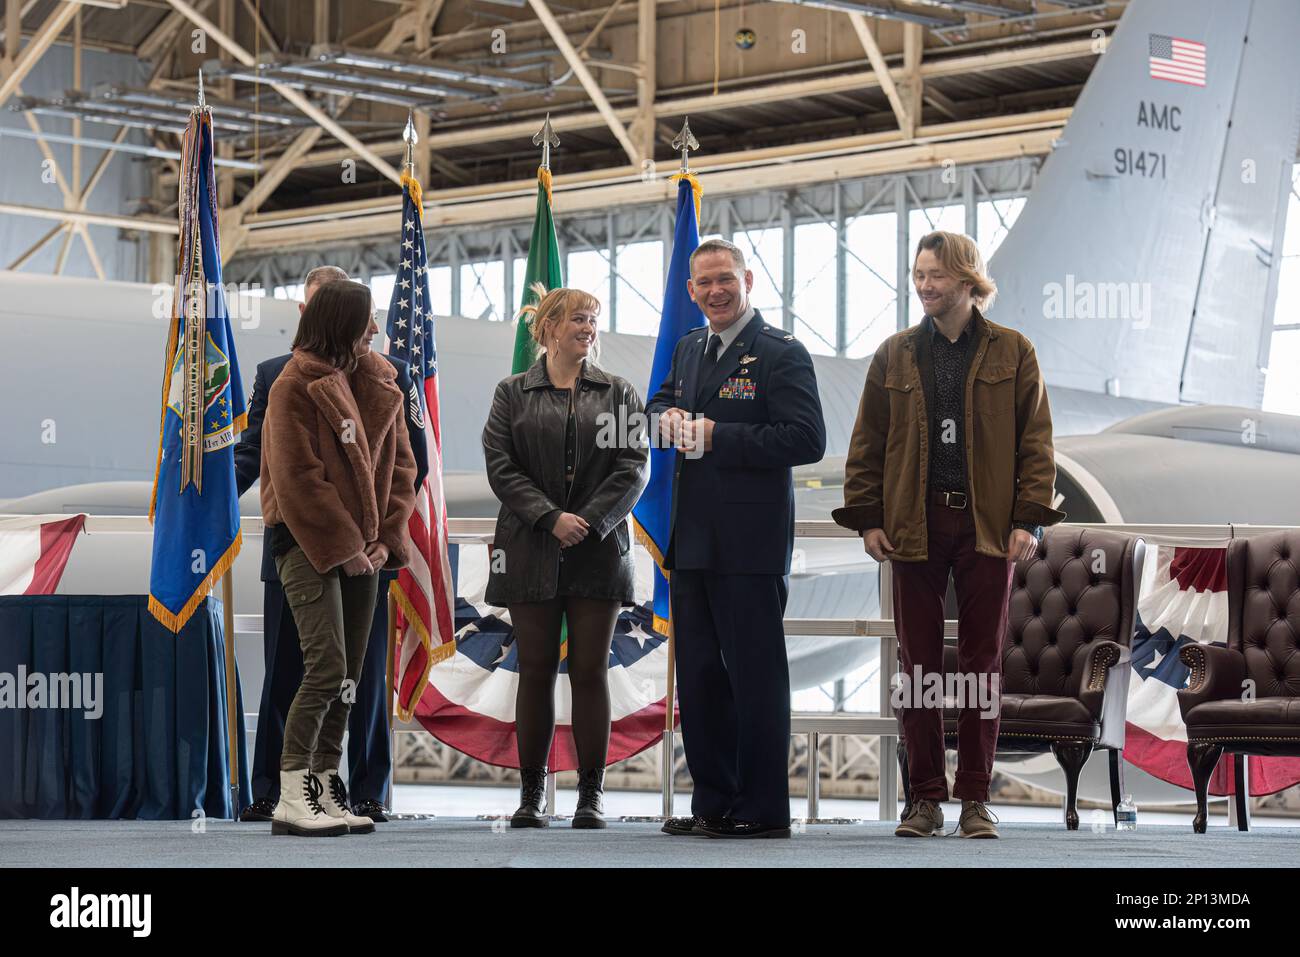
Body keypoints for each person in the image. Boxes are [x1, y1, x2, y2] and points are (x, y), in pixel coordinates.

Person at [832, 230, 1065, 839]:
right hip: (914, 523)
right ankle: (925, 798)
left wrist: (1028, 519)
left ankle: (976, 799)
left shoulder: (1015, 352)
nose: (923, 285)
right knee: (918, 666)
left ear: (967, 280)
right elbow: (868, 445)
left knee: (984, 663)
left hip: (988, 527)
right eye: (917, 274)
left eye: (934, 275)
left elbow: (1036, 444)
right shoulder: (894, 354)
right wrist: (868, 516)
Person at [645, 239, 826, 839]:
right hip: (692, 540)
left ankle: (763, 808)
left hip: (749, 545)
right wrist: (663, 419)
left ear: (748, 281)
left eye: (726, 279)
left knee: (755, 678)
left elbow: (806, 440)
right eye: (704, 283)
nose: (715, 291)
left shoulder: (780, 352)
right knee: (699, 678)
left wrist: (718, 435)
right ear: (691, 291)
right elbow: (657, 406)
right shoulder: (689, 347)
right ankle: (713, 801)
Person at [235, 266, 428, 825]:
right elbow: (297, 479)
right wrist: (348, 545)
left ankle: (325, 789)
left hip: (370, 555)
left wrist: (384, 542)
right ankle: (290, 793)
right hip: (308, 549)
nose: (374, 327)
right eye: (365, 318)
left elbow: (403, 468)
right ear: (341, 322)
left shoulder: (386, 378)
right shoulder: (290, 382)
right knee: (318, 669)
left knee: (347, 677)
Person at [482, 285, 649, 829]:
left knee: (589, 671)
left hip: (599, 551)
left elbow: (634, 467)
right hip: (530, 546)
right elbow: (501, 466)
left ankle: (590, 797)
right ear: (548, 327)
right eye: (578, 318)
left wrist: (592, 522)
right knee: (532, 671)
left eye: (594, 319)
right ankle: (531, 796)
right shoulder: (512, 392)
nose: (589, 328)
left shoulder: (619, 392)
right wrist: (550, 518)